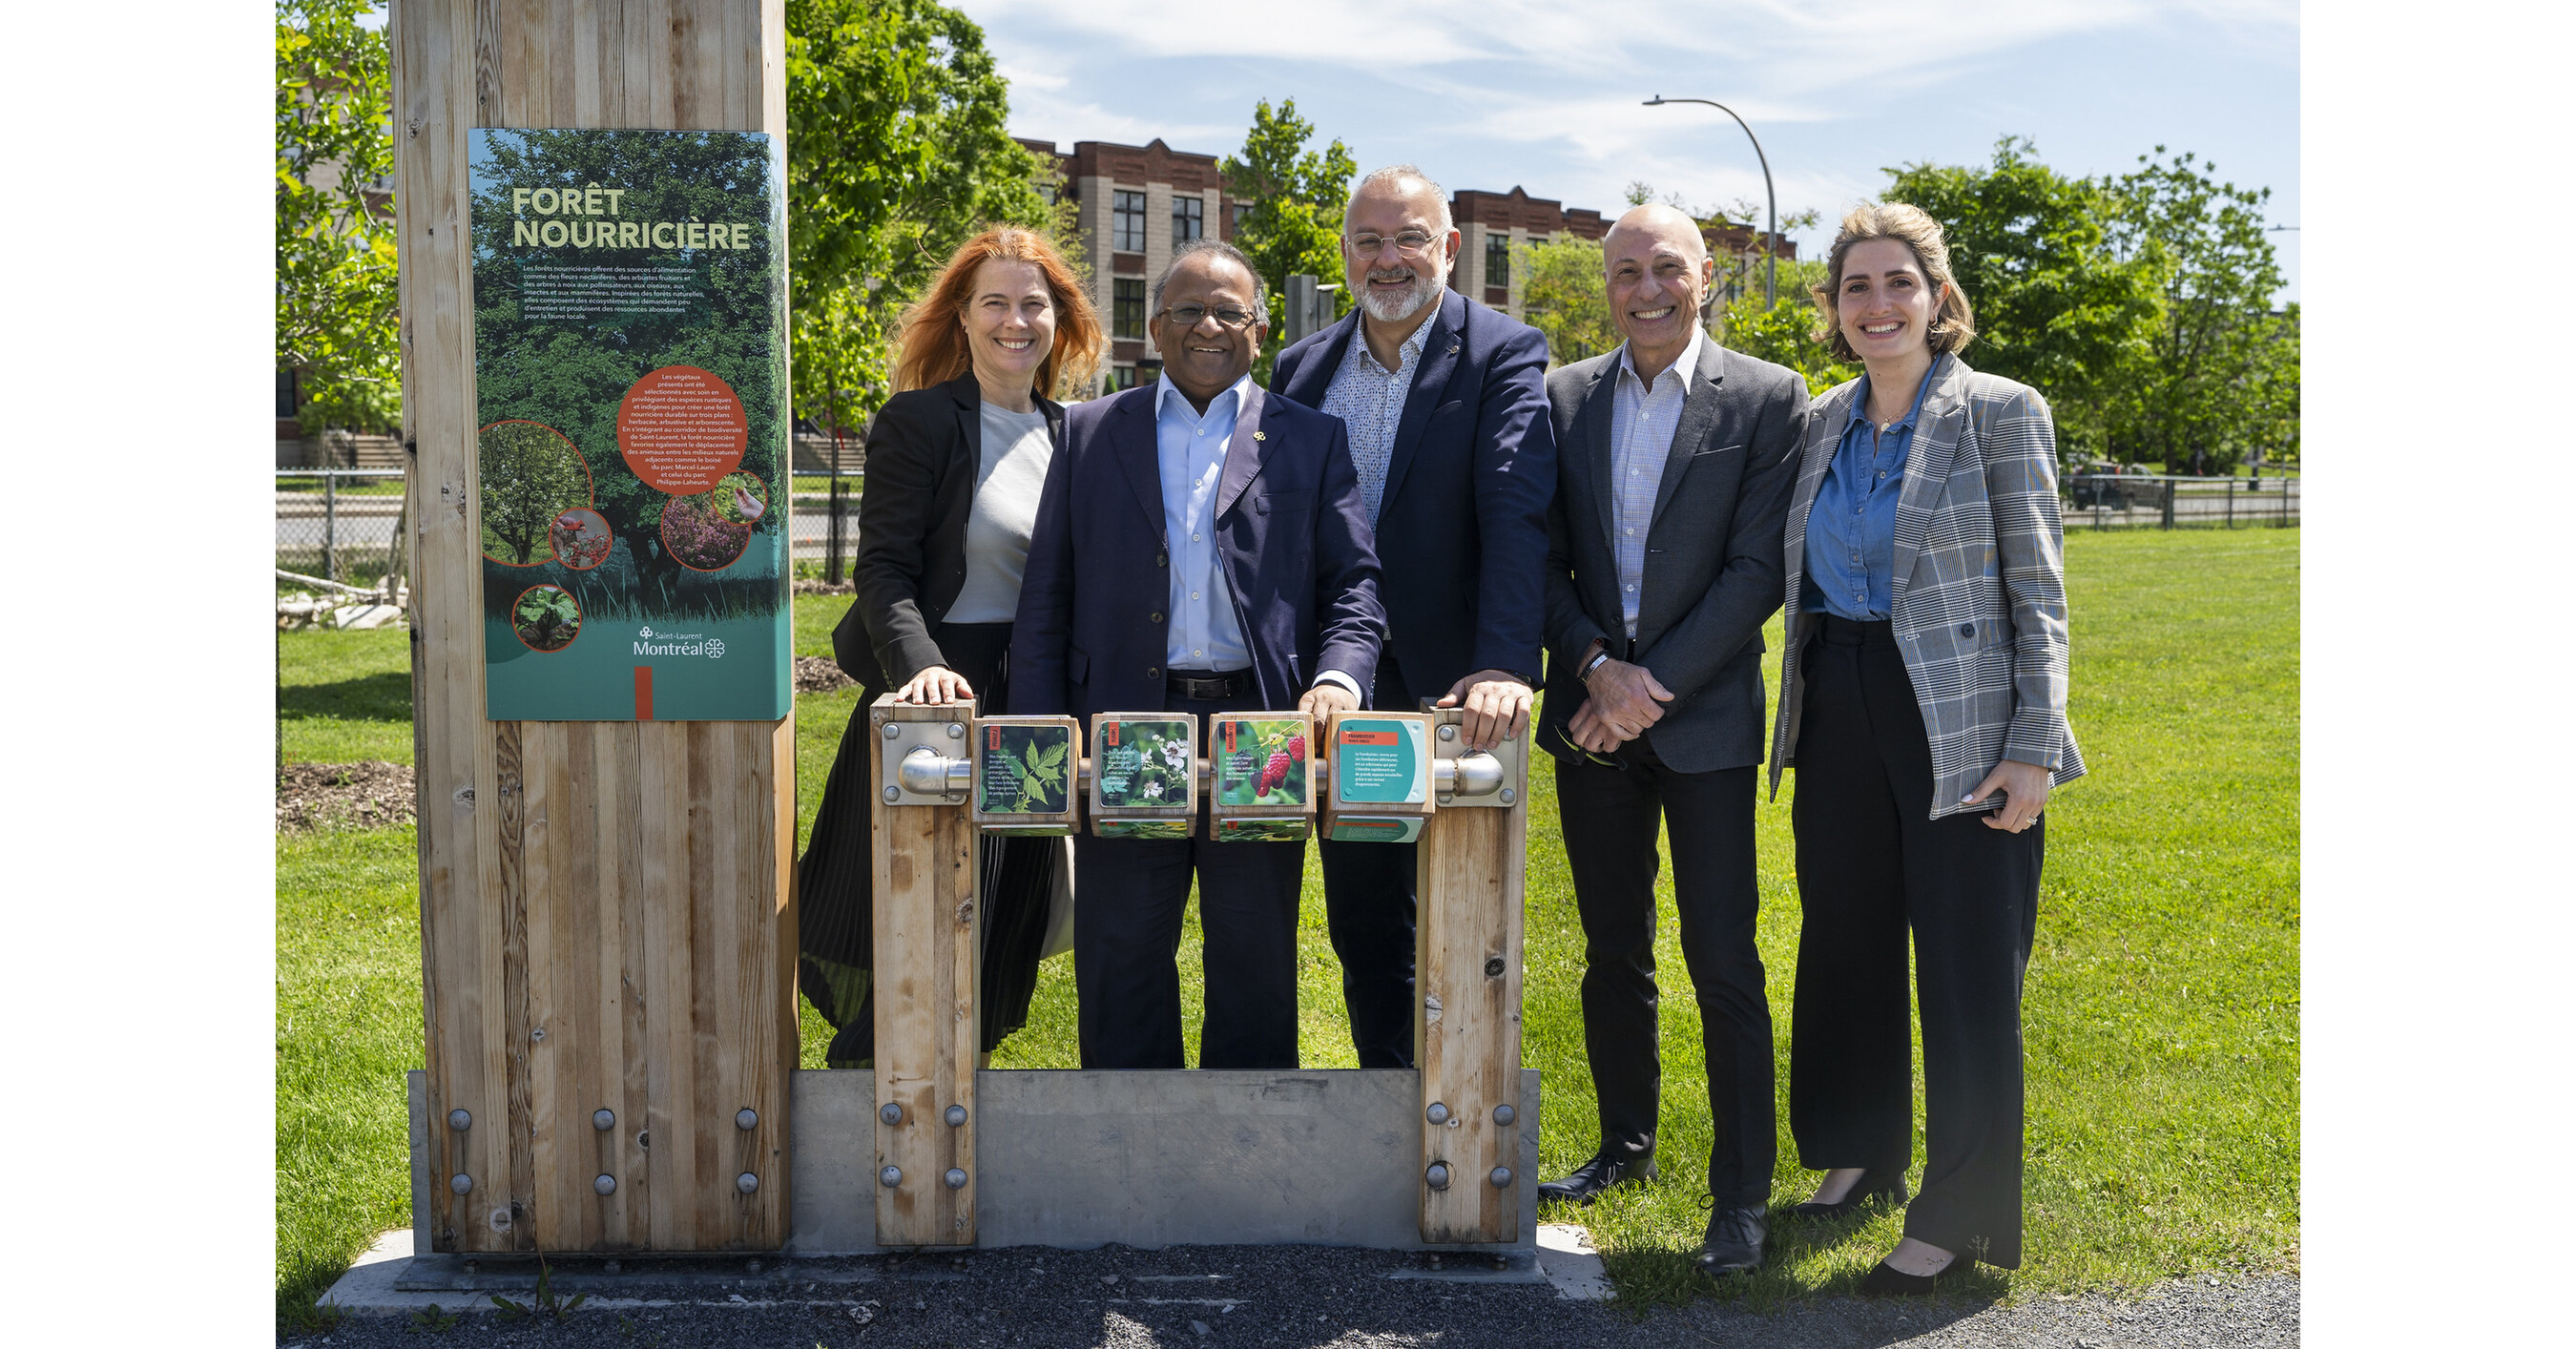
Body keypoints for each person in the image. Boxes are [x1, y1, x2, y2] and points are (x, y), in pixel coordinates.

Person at [1767, 202, 2085, 1294]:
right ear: (1833, 310)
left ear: (1939, 298)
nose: (1877, 304)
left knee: (1964, 971)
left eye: (1898, 282)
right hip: (1839, 700)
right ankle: (1857, 1147)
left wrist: (2035, 747)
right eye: (1855, 286)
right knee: (1844, 937)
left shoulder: (2001, 411)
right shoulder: (1819, 424)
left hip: (1962, 716)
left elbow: (2038, 589)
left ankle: (1958, 1212)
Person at [1010, 239, 1383, 1070]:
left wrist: (1337, 677)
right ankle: (1125, 1153)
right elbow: (1047, 597)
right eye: (1188, 309)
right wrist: (1041, 736)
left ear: (1259, 329)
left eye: (1228, 311)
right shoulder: (1089, 431)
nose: (1207, 325)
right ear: (1155, 325)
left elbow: (1354, 585)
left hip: (1260, 733)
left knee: (1254, 958)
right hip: (1124, 725)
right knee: (1123, 953)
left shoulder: (1312, 440)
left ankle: (1241, 1160)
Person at [1531, 205, 1809, 1277]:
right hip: (1593, 719)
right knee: (1613, 952)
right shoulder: (1564, 399)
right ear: (1607, 285)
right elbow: (1542, 562)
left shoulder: (1768, 398)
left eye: (1666, 269)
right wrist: (1598, 667)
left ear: (1706, 279)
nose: (1646, 289)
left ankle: (1742, 1197)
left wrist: (1648, 685)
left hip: (1703, 724)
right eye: (1625, 272)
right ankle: (1625, 1146)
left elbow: (1757, 572)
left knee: (1723, 956)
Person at [796, 227, 1105, 1069]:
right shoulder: (920, 422)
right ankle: (873, 1110)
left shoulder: (1078, 434)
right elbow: (885, 570)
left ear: (1059, 320)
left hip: (1032, 696)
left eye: (1033, 304)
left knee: (997, 930)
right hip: (935, 694)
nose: (1016, 321)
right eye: (995, 303)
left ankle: (953, 1122)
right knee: (916, 927)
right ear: (962, 320)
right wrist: (924, 667)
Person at [1269, 164, 1555, 1069]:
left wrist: (1506, 662)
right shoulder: (1300, 369)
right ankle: (1388, 1105)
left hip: (1459, 685)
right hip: (1339, 687)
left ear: (1450, 249)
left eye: (1409, 240)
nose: (1388, 260)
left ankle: (1467, 1112)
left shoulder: (1504, 352)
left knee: (1463, 912)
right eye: (1369, 241)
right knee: (1363, 917)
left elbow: (1516, 513)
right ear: (1346, 253)